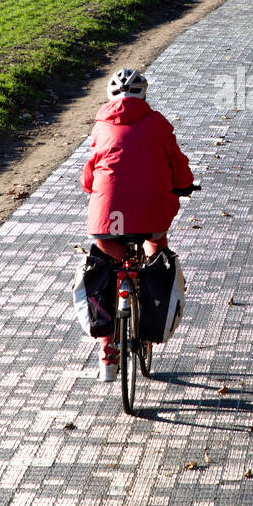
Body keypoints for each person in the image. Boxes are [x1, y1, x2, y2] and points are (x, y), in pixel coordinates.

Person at [81, 68, 194, 380]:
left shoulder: (101, 126)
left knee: (104, 260)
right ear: (144, 94)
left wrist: (93, 188)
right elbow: (178, 166)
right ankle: (152, 307)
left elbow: (89, 174)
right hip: (152, 214)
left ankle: (107, 346)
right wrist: (184, 184)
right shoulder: (158, 124)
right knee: (156, 246)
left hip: (107, 219)